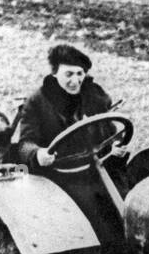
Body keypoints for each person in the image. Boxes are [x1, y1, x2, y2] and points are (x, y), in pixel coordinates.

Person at [13, 43, 116, 175]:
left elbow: (110, 128)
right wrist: (38, 154)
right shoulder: (37, 101)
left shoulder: (94, 94)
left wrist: (116, 143)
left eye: (80, 73)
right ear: (55, 73)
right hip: (58, 174)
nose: (75, 81)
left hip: (95, 168)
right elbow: (25, 144)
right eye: (69, 74)